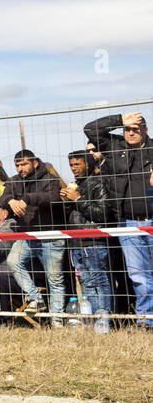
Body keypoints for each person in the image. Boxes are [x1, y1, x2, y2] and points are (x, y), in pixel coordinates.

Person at [83, 111, 153, 327]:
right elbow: (90, 129)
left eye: (135, 128)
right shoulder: (115, 147)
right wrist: (120, 119)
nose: (130, 132)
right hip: (129, 223)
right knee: (139, 276)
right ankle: (146, 320)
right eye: (127, 129)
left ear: (145, 130)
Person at [4, 149, 66, 323]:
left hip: (51, 236)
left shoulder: (49, 179)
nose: (20, 168)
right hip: (28, 236)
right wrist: (11, 201)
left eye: (23, 164)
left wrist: (28, 198)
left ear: (35, 163)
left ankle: (58, 320)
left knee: (55, 279)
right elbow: (4, 196)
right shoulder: (14, 181)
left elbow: (54, 197)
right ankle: (36, 298)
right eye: (17, 165)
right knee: (13, 261)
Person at [61, 149, 116, 333]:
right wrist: (67, 201)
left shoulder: (98, 182)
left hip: (93, 241)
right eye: (71, 165)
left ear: (87, 163)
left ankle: (103, 320)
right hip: (77, 241)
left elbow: (102, 214)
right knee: (85, 282)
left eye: (77, 164)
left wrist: (78, 199)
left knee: (99, 280)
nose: (73, 168)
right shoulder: (77, 184)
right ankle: (92, 318)